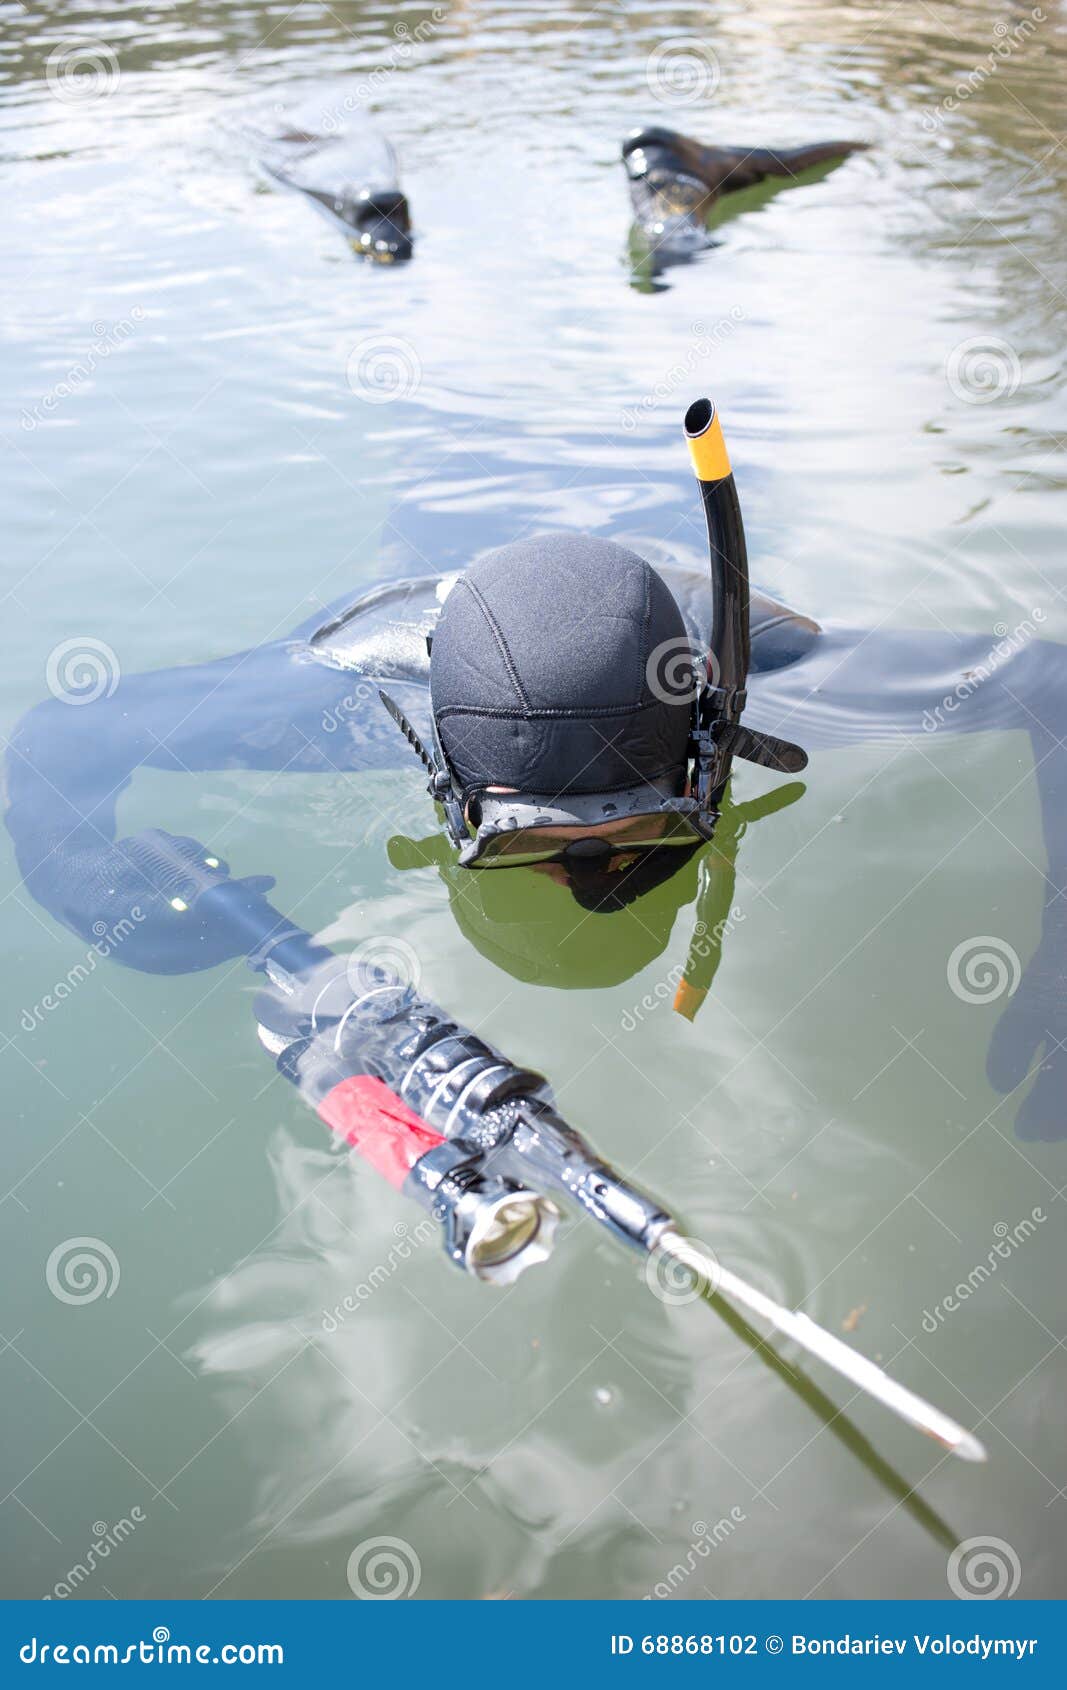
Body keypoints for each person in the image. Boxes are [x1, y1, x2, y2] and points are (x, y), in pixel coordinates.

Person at [6, 402, 1065, 1142]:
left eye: (640, 829)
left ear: (701, 764)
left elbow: (1046, 679)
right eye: (528, 844)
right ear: (447, 792)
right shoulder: (338, 708)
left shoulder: (754, 688)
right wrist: (74, 870)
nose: (594, 878)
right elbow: (53, 742)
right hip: (456, 468)